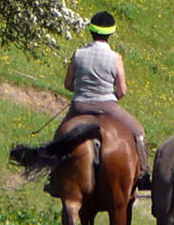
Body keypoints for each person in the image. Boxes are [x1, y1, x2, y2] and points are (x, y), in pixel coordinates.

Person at [59, 10, 151, 190]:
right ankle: (144, 174)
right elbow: (122, 90)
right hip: (108, 106)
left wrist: (81, 91)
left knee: (60, 135)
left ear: (91, 31)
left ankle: (54, 175)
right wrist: (111, 97)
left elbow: (68, 84)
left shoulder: (78, 54)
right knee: (139, 132)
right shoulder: (115, 57)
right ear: (111, 33)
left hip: (79, 106)